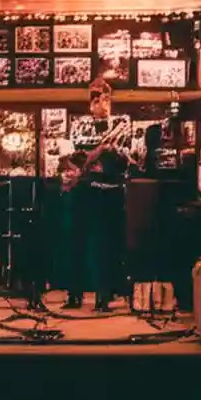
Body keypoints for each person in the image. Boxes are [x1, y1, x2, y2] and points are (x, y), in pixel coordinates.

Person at [61, 82, 129, 311]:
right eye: (98, 100)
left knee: (106, 246)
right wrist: (95, 156)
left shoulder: (121, 124)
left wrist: (103, 160)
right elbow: (75, 156)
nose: (104, 104)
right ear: (91, 104)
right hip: (84, 190)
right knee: (74, 243)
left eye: (107, 99)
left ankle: (104, 295)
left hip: (109, 192)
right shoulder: (80, 125)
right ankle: (74, 295)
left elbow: (124, 158)